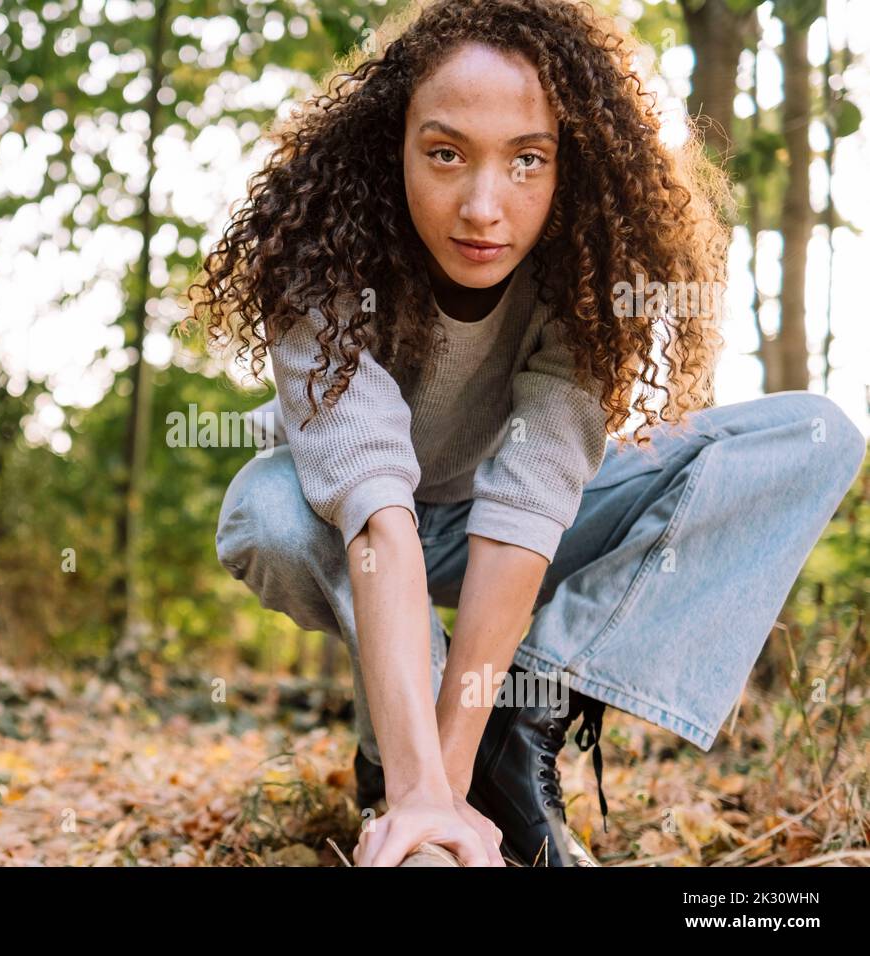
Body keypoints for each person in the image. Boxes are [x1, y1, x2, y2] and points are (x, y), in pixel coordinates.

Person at [187, 0, 867, 867]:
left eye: (527, 161)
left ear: (568, 167)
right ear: (390, 146)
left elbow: (523, 512)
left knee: (812, 434)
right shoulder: (322, 258)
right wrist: (428, 799)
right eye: (445, 154)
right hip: (355, 528)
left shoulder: (587, 275)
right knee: (271, 510)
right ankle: (406, 764)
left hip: (507, 534)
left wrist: (462, 760)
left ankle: (520, 713)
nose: (482, 206)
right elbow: (379, 527)